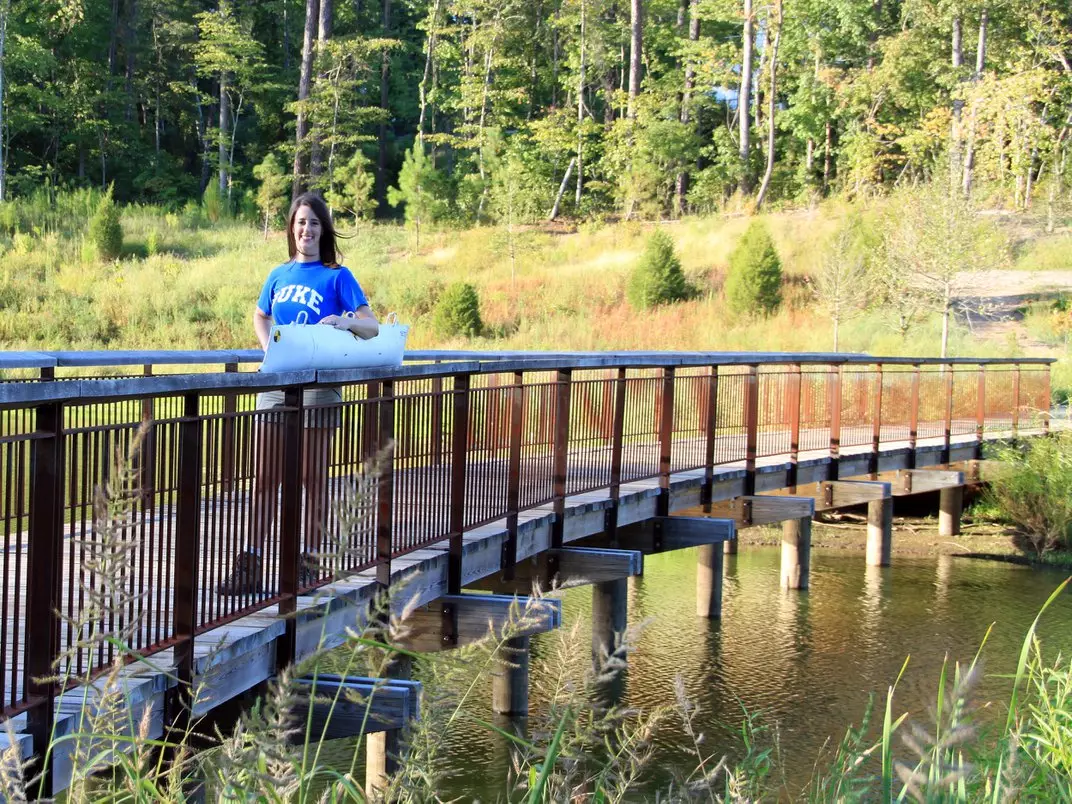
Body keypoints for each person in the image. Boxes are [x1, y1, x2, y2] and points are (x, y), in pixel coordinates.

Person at [217, 192, 379, 596]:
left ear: (324, 230)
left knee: (312, 480)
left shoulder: (337, 275)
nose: (307, 230)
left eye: (315, 223)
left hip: (319, 388)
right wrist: (266, 345)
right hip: (276, 384)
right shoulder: (279, 274)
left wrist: (344, 322)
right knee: (265, 479)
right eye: (301, 222)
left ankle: (309, 562)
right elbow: (260, 314)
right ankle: (251, 564)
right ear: (292, 227)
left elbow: (371, 326)